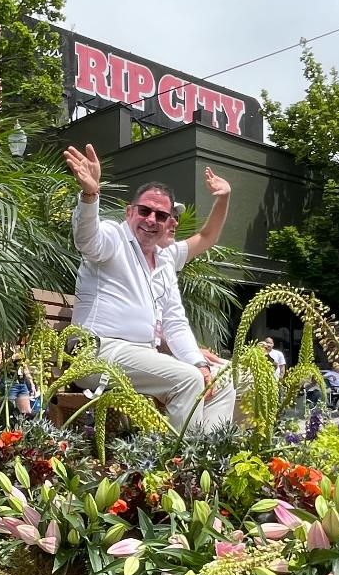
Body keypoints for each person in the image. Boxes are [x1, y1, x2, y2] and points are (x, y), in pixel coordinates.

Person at [62, 143, 236, 433]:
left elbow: (175, 323)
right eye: (145, 211)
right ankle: (181, 458)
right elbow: (87, 238)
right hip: (98, 353)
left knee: (221, 378)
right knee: (189, 379)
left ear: (169, 222)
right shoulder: (113, 238)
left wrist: (199, 363)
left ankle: (209, 453)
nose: (152, 219)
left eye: (161, 215)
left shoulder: (164, 259)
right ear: (130, 212)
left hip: (142, 357)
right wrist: (90, 195)